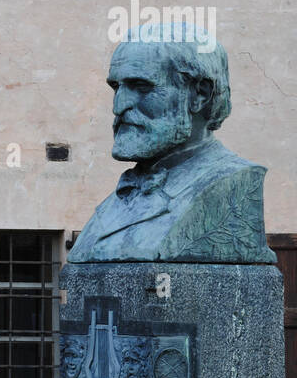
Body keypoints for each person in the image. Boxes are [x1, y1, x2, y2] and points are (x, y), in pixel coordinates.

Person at [67, 24, 276, 264]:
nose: (118, 106)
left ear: (200, 95)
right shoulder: (117, 198)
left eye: (141, 87)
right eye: (116, 87)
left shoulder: (230, 185)